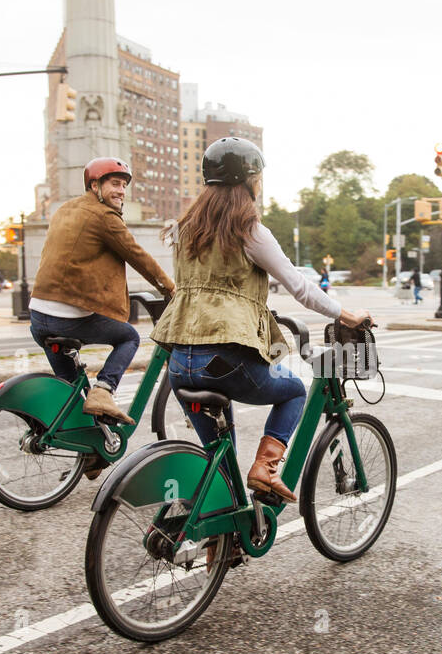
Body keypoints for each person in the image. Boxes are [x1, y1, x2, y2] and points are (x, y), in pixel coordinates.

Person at [151, 137, 371, 505]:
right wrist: (349, 315)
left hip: (179, 363)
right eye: (259, 177)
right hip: (223, 359)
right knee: (294, 391)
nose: (261, 185)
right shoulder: (249, 230)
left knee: (221, 467)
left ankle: (220, 543)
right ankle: (266, 469)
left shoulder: (185, 229)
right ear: (248, 180)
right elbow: (299, 286)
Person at [29, 156, 175, 426]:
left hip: (38, 316)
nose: (121, 191)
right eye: (115, 184)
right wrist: (171, 288)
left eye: (124, 186)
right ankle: (105, 388)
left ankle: (91, 454)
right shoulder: (103, 216)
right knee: (129, 337)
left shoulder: (64, 210)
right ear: (94, 185)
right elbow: (137, 255)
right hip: (67, 316)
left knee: (73, 395)